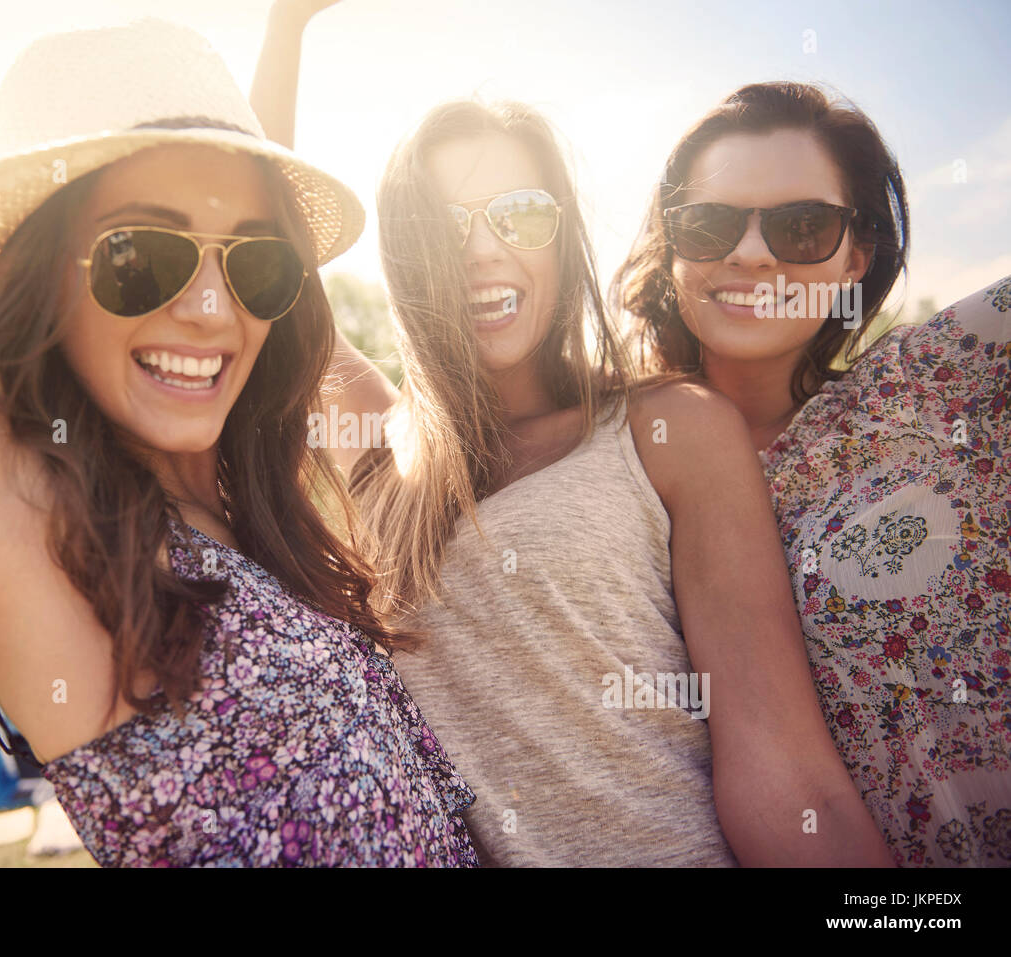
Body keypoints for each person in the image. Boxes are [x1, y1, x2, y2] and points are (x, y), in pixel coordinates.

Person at [0, 2, 476, 867]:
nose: (212, 310)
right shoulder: (44, 541)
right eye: (141, 256)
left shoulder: (254, 511)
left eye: (256, 263)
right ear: (40, 275)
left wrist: (283, 30)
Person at [253, 1, 892, 865]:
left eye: (519, 213)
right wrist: (285, 26)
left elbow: (784, 771)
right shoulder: (379, 452)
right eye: (445, 223)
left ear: (562, 235)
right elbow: (269, 244)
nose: (482, 249)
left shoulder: (669, 427)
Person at [613, 80, 1011, 866]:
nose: (751, 252)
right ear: (670, 246)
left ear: (856, 257)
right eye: (708, 222)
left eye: (802, 226)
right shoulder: (606, 454)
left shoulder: (938, 384)